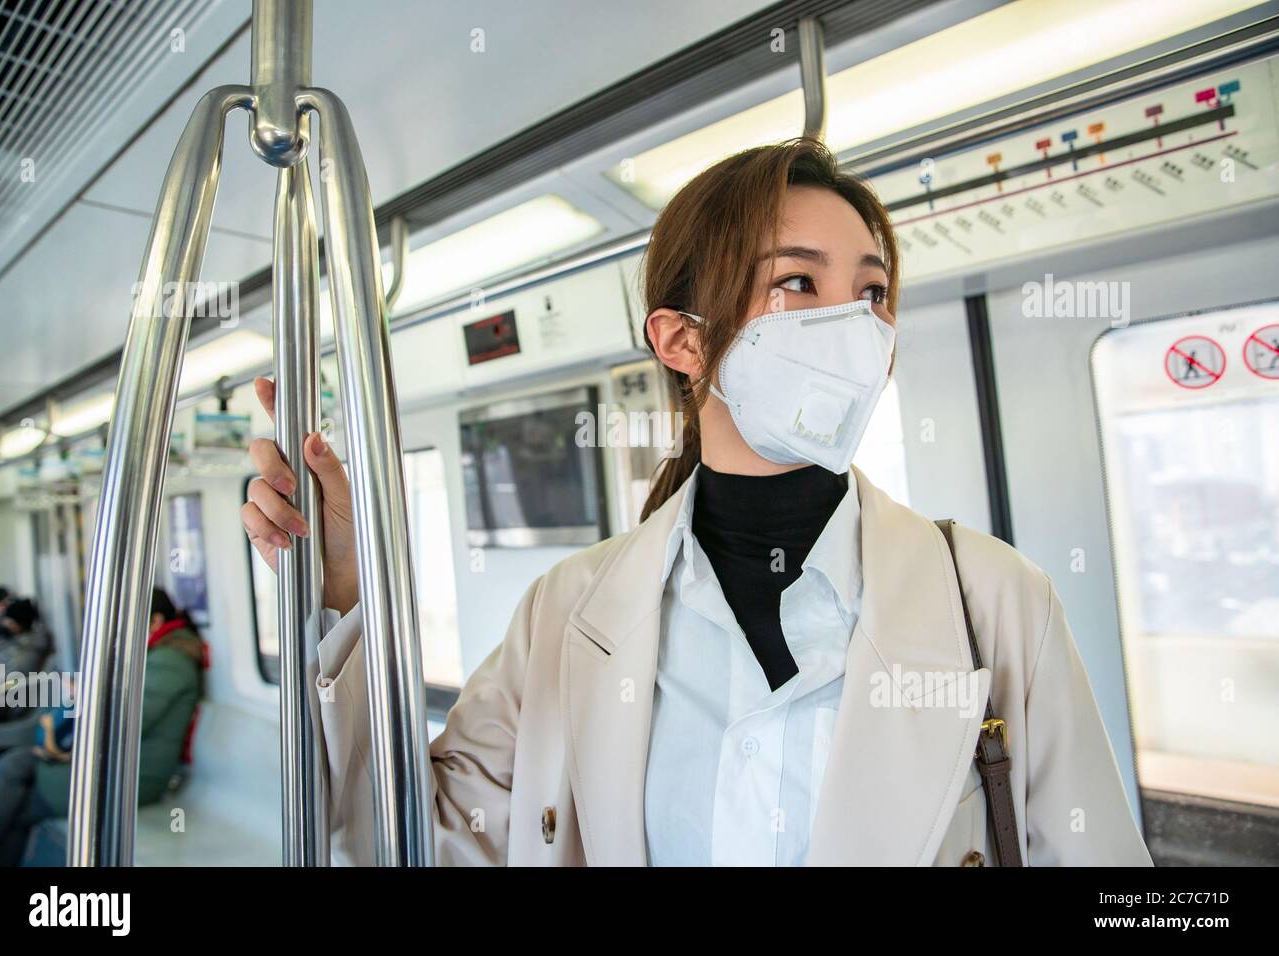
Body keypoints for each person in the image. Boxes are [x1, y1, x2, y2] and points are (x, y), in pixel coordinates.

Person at [242, 137, 1153, 867]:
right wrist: (351, 597)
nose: (855, 326)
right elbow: (416, 840)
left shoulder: (992, 597)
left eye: (872, 293)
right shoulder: (567, 614)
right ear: (682, 339)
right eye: (798, 282)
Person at [0, 588, 205, 865]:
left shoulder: (169, 663)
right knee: (13, 769)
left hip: (135, 777)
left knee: (15, 798)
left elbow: (125, 725)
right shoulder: (156, 657)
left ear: (155, 622)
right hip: (119, 765)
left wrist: (84, 697)